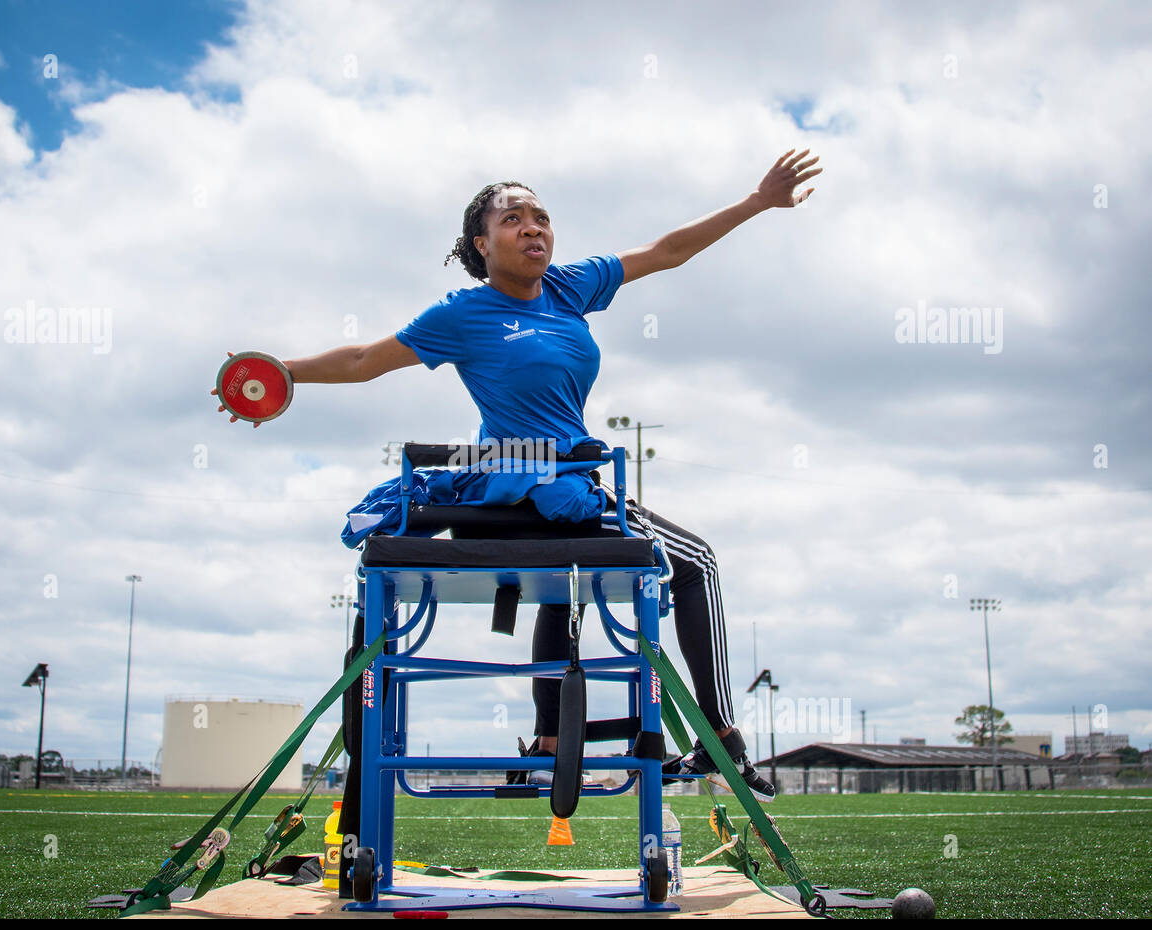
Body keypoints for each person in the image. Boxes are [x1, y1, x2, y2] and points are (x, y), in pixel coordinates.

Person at [277, 150, 821, 803]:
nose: (533, 227)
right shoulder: (462, 315)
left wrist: (756, 202)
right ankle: (721, 735)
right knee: (696, 558)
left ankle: (548, 741)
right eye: (514, 219)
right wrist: (280, 373)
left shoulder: (570, 288)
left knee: (570, 581)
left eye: (541, 217)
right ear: (483, 243)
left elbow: (666, 251)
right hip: (518, 488)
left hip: (568, 490)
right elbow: (365, 359)